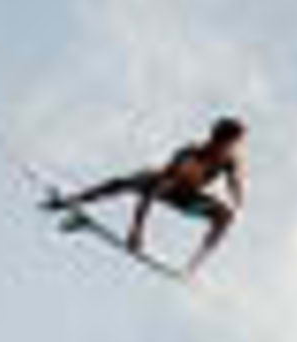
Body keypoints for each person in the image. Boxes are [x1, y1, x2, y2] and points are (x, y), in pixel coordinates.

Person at [51, 115, 248, 276]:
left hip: (186, 197)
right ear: (217, 140)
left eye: (234, 145)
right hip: (163, 184)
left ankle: (193, 267)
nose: (232, 149)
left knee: (225, 216)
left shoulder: (228, 161)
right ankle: (72, 200)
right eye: (231, 143)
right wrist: (136, 231)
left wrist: (236, 195)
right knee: (123, 183)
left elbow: (233, 181)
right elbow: (151, 194)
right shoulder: (189, 154)